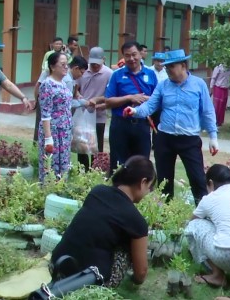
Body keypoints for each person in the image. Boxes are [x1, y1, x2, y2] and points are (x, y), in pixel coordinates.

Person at [125, 49, 218, 203]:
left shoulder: (199, 84)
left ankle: (202, 213)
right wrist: (134, 111)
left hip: (189, 139)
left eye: (171, 66)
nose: (167, 70)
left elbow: (207, 111)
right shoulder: (163, 85)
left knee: (197, 178)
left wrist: (213, 136)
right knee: (164, 179)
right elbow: (150, 106)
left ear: (183, 65)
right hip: (165, 138)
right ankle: (164, 213)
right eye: (166, 67)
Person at [50, 155, 154, 288]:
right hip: (86, 283)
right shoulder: (136, 220)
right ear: (143, 182)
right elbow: (141, 274)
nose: (148, 192)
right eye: (149, 187)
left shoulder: (97, 191)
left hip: (57, 266)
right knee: (127, 248)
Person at [186, 163, 230, 288]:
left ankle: (217, 275)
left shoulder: (209, 198)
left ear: (210, 183)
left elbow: (192, 222)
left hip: (227, 257)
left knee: (195, 226)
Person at [103, 41, 158, 172]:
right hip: (120, 124)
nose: (131, 59)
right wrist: (129, 98)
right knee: (118, 163)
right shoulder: (117, 75)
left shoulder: (150, 74)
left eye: (134, 54)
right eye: (127, 55)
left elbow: (157, 99)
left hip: (142, 124)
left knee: (141, 163)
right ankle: (118, 190)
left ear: (141, 54)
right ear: (123, 56)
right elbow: (108, 101)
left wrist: (145, 99)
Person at [39, 52, 74, 182]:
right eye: (63, 64)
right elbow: (45, 112)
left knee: (63, 164)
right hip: (53, 131)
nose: (66, 67)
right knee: (50, 164)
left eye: (67, 65)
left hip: (64, 131)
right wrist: (48, 138)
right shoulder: (47, 84)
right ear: (53, 67)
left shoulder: (63, 83)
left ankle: (60, 191)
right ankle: (48, 192)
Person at [77, 47, 112, 170]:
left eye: (97, 64)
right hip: (82, 114)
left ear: (104, 60)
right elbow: (76, 89)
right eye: (92, 63)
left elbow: (110, 95)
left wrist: (98, 102)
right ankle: (82, 170)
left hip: (99, 116)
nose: (95, 66)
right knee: (81, 145)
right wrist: (80, 98)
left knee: (96, 146)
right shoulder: (83, 71)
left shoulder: (109, 73)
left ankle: (96, 170)